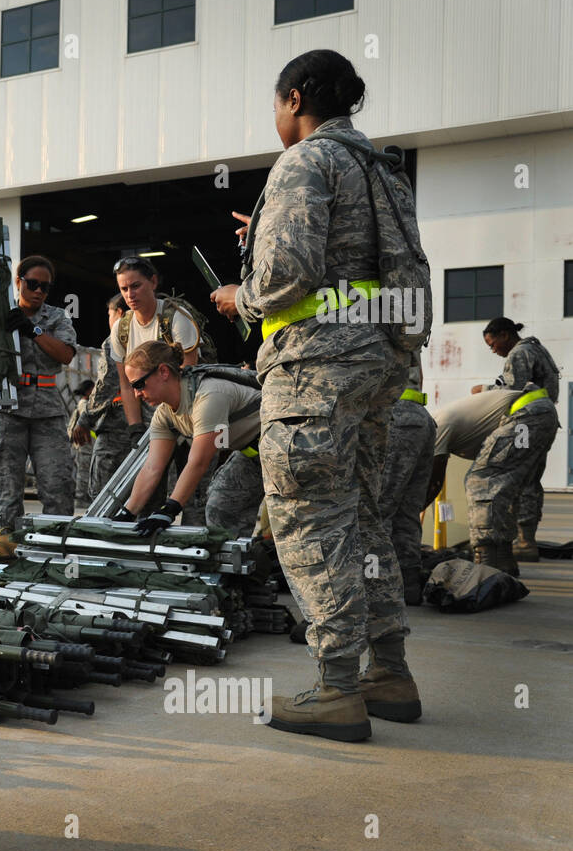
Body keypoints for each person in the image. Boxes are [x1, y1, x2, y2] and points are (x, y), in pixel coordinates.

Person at [209, 49, 422, 742]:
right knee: (361, 519)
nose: (276, 117)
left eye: (277, 104)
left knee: (306, 517)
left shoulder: (304, 162)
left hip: (314, 369)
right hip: (374, 368)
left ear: (295, 98)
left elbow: (285, 278)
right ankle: (387, 670)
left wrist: (241, 294)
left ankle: (335, 687)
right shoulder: (382, 171)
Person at [112, 341, 263, 538]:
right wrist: (127, 514)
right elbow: (152, 468)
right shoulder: (164, 414)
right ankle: (237, 564)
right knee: (222, 505)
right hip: (255, 455)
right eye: (132, 387)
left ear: (163, 372)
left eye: (139, 384)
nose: (136, 393)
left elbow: (199, 462)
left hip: (286, 446)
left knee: (292, 520)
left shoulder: (208, 395)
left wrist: (169, 509)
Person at [0, 256, 78, 533]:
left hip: (47, 412)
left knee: (58, 487)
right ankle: (6, 553)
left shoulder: (57, 317)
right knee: (7, 494)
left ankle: (56, 552)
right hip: (7, 410)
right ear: (18, 282)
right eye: (33, 284)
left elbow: (66, 355)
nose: (39, 291)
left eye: (45, 287)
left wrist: (34, 330)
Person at [110, 258, 218, 524]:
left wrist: (180, 426)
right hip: (151, 413)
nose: (130, 295)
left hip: (190, 410)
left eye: (136, 286)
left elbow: (187, 376)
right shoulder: (121, 329)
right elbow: (126, 383)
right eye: (124, 289)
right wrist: (135, 425)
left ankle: (194, 549)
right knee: (148, 486)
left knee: (193, 490)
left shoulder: (176, 319)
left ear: (153, 282)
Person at [425, 386, 558, 576]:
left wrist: (415, 510)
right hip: (540, 413)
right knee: (507, 487)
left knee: (482, 481)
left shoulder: (435, 428)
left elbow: (434, 482)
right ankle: (504, 559)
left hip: (523, 415)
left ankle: (486, 560)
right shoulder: (438, 421)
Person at [471, 317, 561, 561]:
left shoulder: (519, 353)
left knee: (515, 477)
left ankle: (521, 540)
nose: (493, 350)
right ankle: (526, 540)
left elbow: (512, 390)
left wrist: (483, 391)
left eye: (492, 344)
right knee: (530, 477)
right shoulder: (535, 348)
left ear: (504, 335)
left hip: (527, 422)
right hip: (543, 420)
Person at [379, 359, 436, 604]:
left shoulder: (365, 324)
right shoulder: (401, 326)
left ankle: (378, 585)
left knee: (379, 508)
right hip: (419, 414)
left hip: (395, 413)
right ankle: (409, 583)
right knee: (407, 509)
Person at [82, 294, 137, 501]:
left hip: (116, 428)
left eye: (109, 313)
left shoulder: (115, 338)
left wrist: (84, 419)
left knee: (102, 495)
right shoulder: (150, 333)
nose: (109, 318)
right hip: (148, 428)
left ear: (119, 313)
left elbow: (106, 384)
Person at [66, 380, 95, 509]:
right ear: (89, 390)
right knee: (83, 471)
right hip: (84, 443)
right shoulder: (84, 404)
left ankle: (83, 497)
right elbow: (86, 421)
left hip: (86, 443)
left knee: (85, 470)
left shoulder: (85, 403)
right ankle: (81, 498)